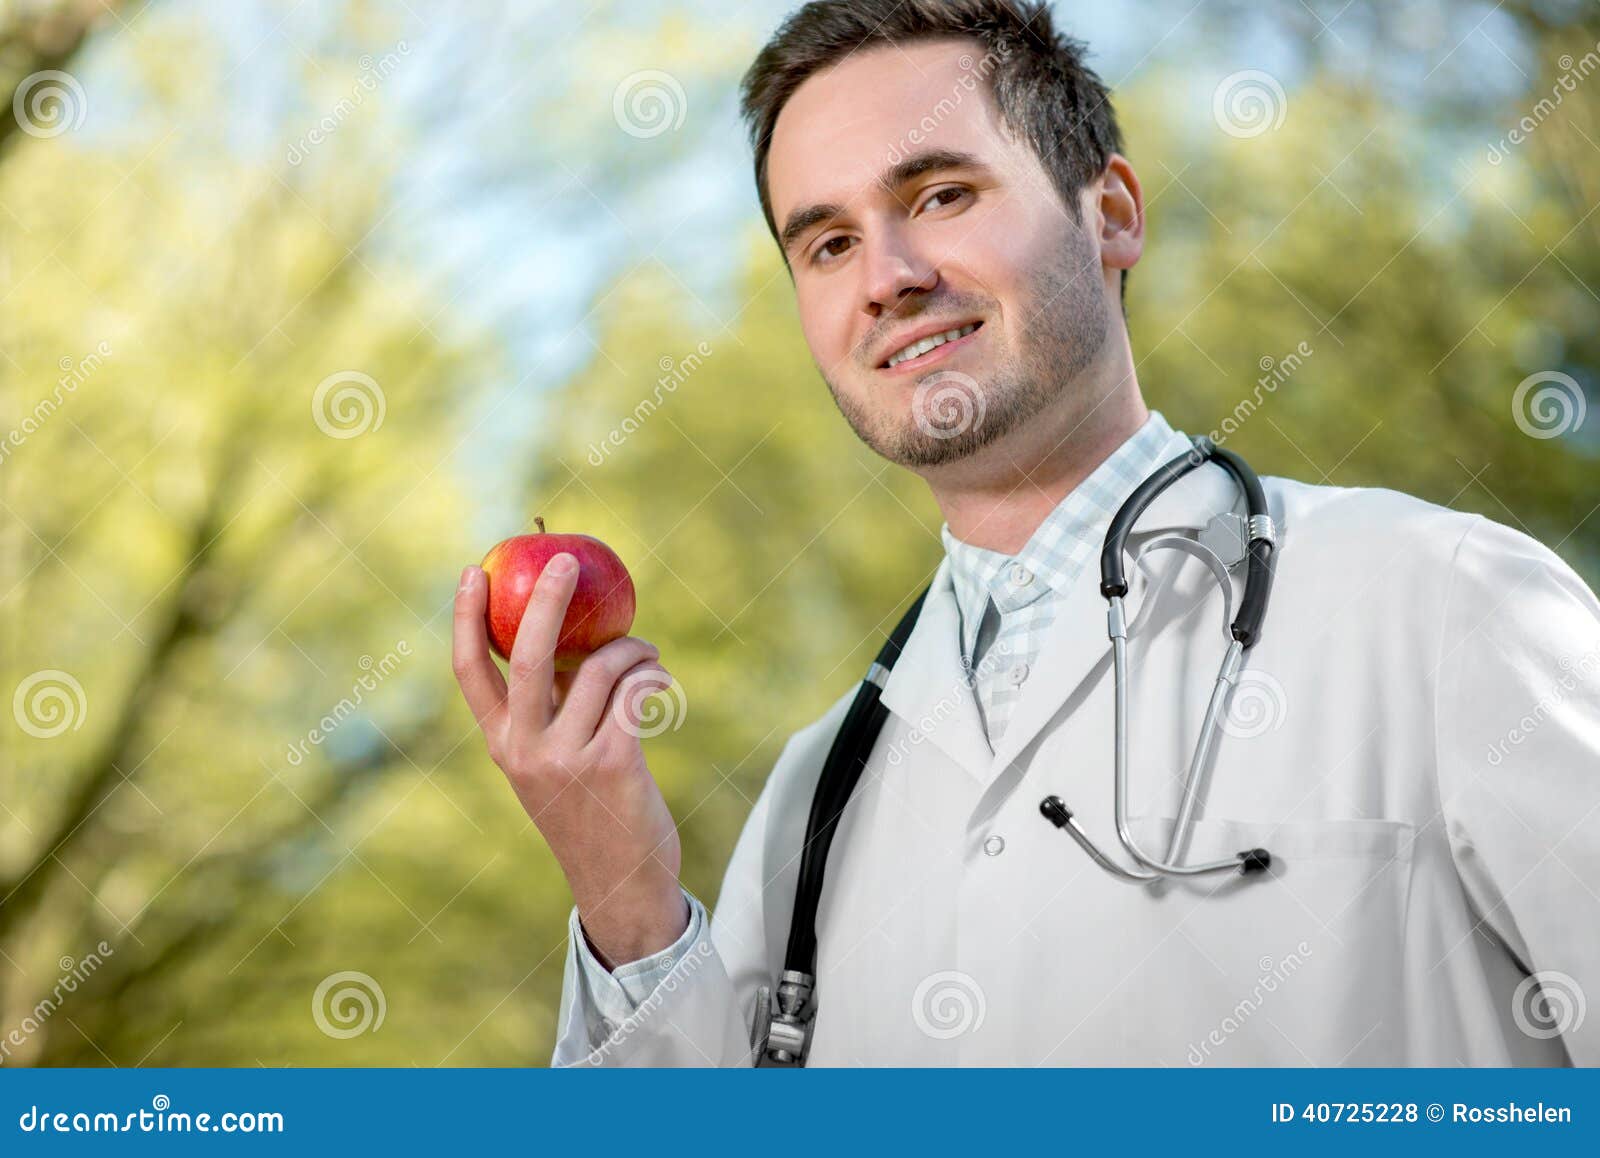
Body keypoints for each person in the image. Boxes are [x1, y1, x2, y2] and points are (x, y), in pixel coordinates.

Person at [450, 0, 1600, 1066]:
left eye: (941, 195)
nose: (888, 278)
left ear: (1110, 216)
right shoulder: (814, 797)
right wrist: (625, 899)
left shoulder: (1440, 603)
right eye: (828, 244)